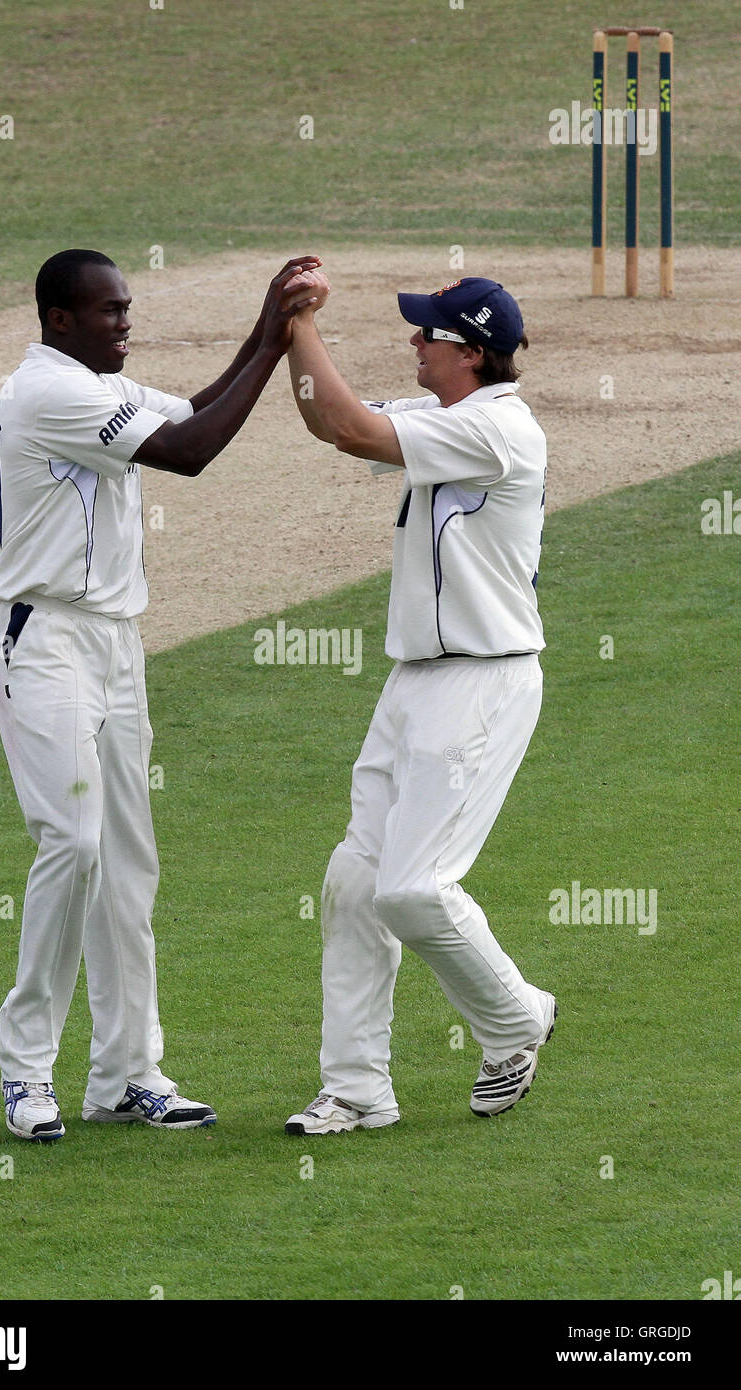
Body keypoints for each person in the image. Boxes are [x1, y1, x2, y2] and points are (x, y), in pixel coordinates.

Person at [0, 248, 320, 1141]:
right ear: (60, 320)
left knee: (128, 860)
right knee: (75, 840)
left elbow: (194, 409)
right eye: (109, 312)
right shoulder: (50, 392)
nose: (126, 323)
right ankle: (25, 1070)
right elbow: (192, 450)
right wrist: (282, 343)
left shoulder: (94, 385)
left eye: (127, 308)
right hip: (42, 639)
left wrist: (267, 323)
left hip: (115, 644)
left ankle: (129, 1073)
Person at [279, 272, 556, 1134]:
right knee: (355, 882)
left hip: (482, 681)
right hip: (416, 681)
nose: (415, 342)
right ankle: (357, 1087)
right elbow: (335, 423)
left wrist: (304, 318)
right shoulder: (450, 417)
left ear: (471, 353)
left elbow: (358, 426)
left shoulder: (496, 428)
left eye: (430, 334)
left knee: (412, 889)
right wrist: (294, 333)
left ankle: (514, 1019)